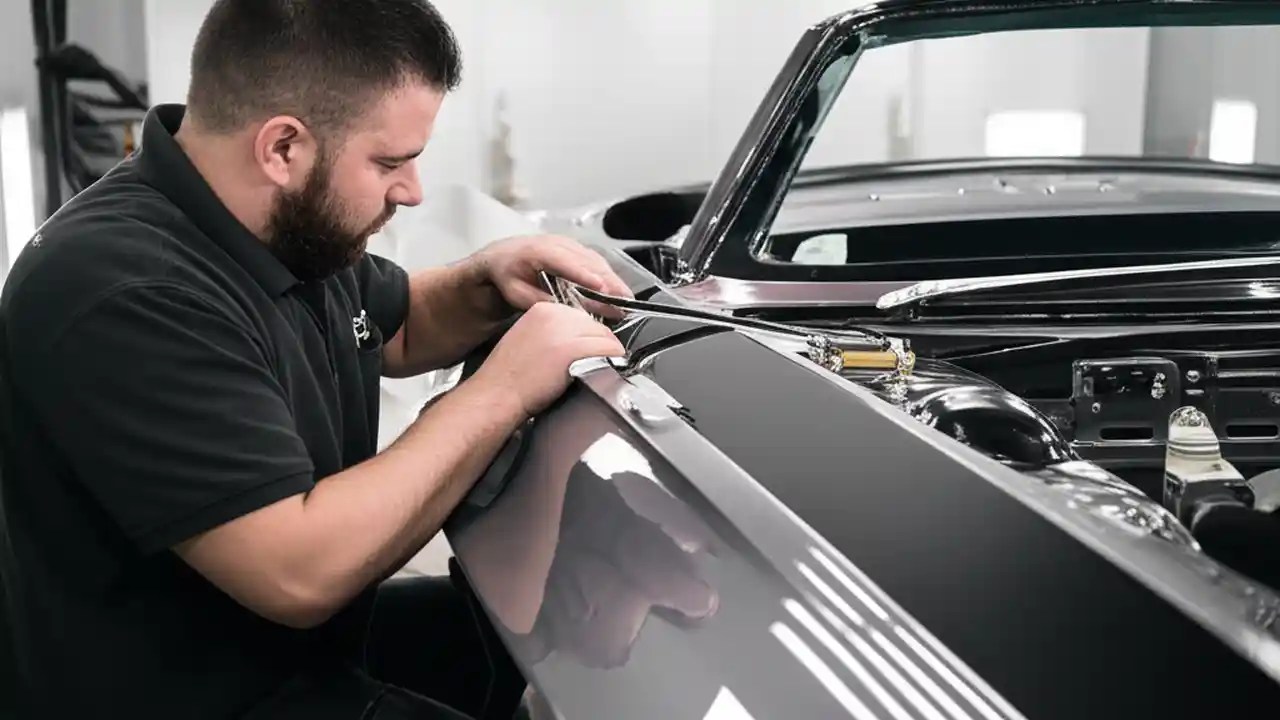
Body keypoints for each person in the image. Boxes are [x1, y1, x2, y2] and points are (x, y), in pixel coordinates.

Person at [0, 0, 629, 718]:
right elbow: (299, 573)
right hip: (191, 690)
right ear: (282, 148)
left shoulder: (276, 224)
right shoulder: (123, 293)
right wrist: (502, 391)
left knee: (527, 634)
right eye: (389, 163)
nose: (412, 191)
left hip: (280, 648)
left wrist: (486, 283)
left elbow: (390, 329)